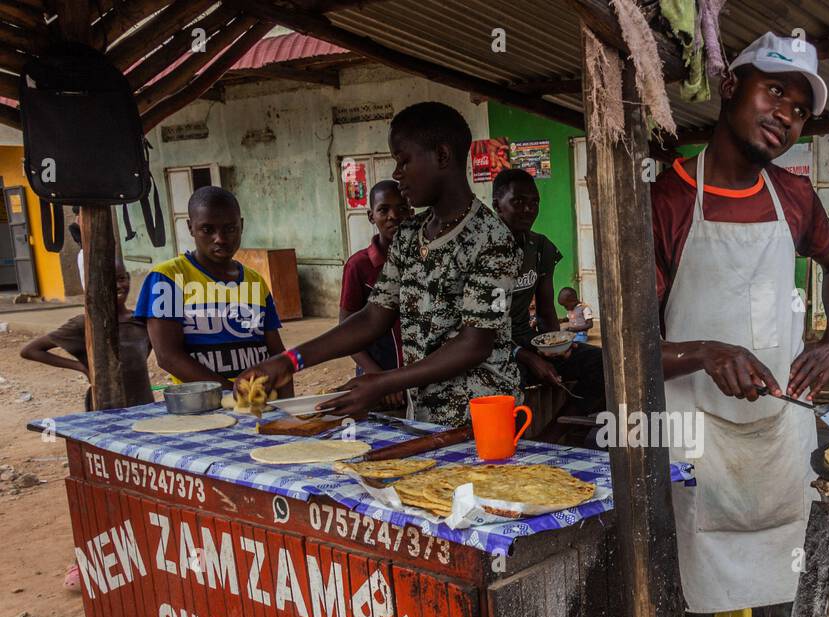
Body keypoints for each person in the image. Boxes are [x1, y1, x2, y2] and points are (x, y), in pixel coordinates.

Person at [652, 33, 829, 617]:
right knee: (690, 611)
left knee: (781, 607)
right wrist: (705, 350)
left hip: (778, 437)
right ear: (730, 86)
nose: (787, 115)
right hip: (690, 437)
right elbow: (633, 342)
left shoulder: (796, 197)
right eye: (775, 93)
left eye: (800, 108)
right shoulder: (668, 196)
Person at [235, 102, 521, 425]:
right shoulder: (410, 234)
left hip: (483, 419)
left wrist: (385, 381)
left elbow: (475, 344)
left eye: (403, 161)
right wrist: (290, 360)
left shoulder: (491, 238)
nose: (397, 175)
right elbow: (373, 316)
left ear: (442, 156)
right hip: (426, 419)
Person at [138, 186, 290, 392]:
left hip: (258, 404)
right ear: (191, 228)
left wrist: (287, 405)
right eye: (207, 229)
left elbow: (276, 354)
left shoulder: (255, 281)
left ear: (241, 225)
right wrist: (232, 392)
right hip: (202, 407)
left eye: (229, 228)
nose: (220, 238)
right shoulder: (168, 278)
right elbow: (168, 357)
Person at [492, 168, 605, 420]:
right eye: (518, 201)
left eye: (534, 202)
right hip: (490, 347)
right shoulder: (484, 251)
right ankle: (517, 443)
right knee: (511, 378)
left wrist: (556, 346)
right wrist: (528, 358)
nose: (528, 209)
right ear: (497, 206)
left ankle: (557, 433)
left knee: (602, 364)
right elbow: (481, 331)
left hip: (527, 340)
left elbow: (545, 309)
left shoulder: (540, 247)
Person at [21, 255, 153, 409]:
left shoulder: (141, 320)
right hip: (105, 406)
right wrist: (82, 367)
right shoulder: (86, 324)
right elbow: (30, 351)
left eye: (121, 278)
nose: (118, 285)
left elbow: (145, 352)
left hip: (143, 403)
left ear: (129, 279)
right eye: (109, 280)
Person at [339, 178, 410, 409]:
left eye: (401, 208)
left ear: (411, 211)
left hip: (418, 379)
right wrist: (378, 377)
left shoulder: (423, 261)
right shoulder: (358, 266)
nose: (393, 216)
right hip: (376, 377)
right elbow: (347, 331)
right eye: (383, 209)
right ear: (371, 216)